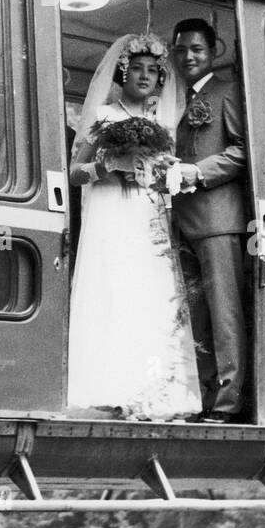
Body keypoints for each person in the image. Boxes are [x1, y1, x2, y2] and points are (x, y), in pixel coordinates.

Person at [66, 33, 201, 420]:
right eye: (137, 69)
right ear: (123, 74)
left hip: (146, 212)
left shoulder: (160, 123)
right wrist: (108, 166)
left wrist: (162, 174)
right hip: (110, 212)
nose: (145, 77)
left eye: (153, 71)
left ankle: (155, 393)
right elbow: (74, 173)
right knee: (112, 288)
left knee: (150, 291)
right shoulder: (103, 116)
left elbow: (166, 174)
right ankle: (109, 388)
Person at [168, 17, 249, 424]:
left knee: (224, 315)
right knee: (195, 317)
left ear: (214, 51)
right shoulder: (179, 99)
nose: (188, 57)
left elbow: (242, 152)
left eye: (196, 49)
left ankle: (228, 404)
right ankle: (203, 399)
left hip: (218, 220)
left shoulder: (227, 91)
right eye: (181, 50)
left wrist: (197, 172)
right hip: (182, 223)